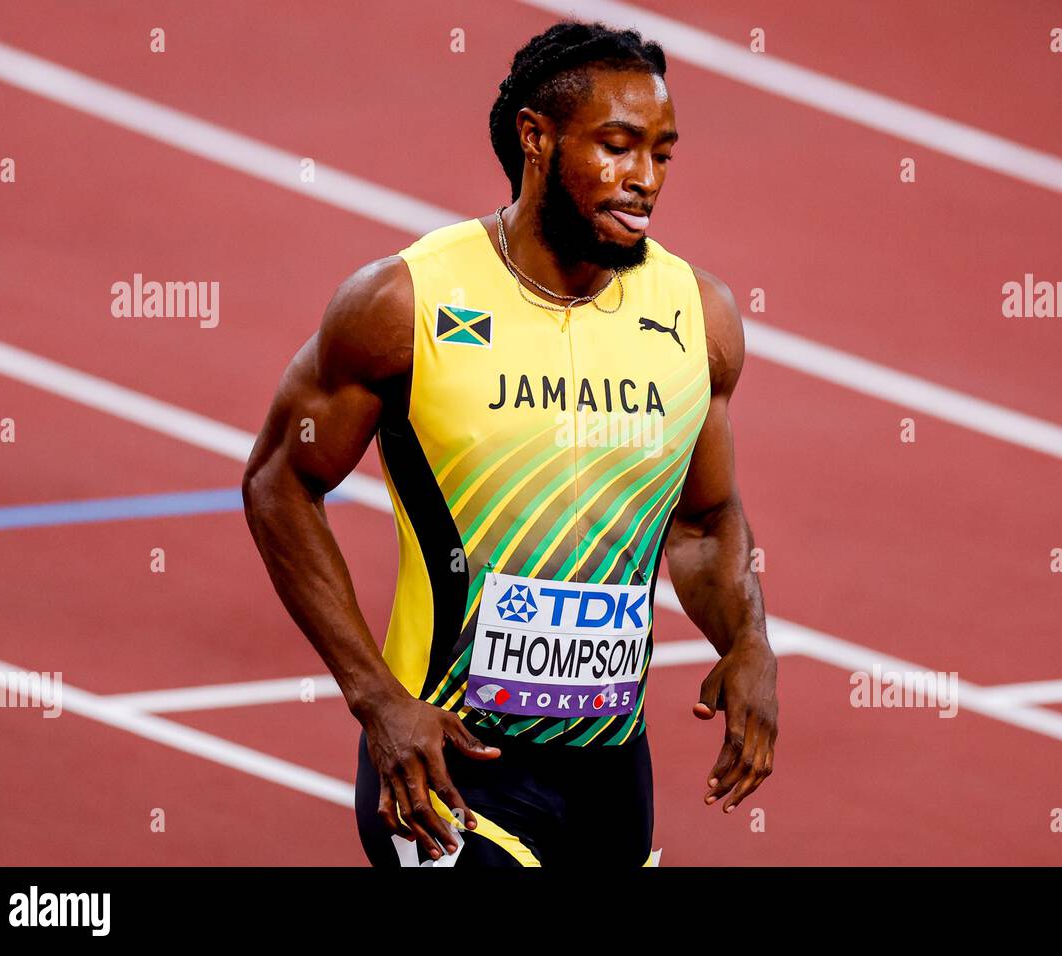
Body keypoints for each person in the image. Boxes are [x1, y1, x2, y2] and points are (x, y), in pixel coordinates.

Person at [242, 20, 777, 868]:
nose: (645, 178)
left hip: (611, 773)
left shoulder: (695, 317)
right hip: (448, 759)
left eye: (662, 153)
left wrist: (748, 639)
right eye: (618, 147)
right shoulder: (404, 303)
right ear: (537, 138)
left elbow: (706, 523)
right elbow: (280, 482)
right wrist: (376, 698)